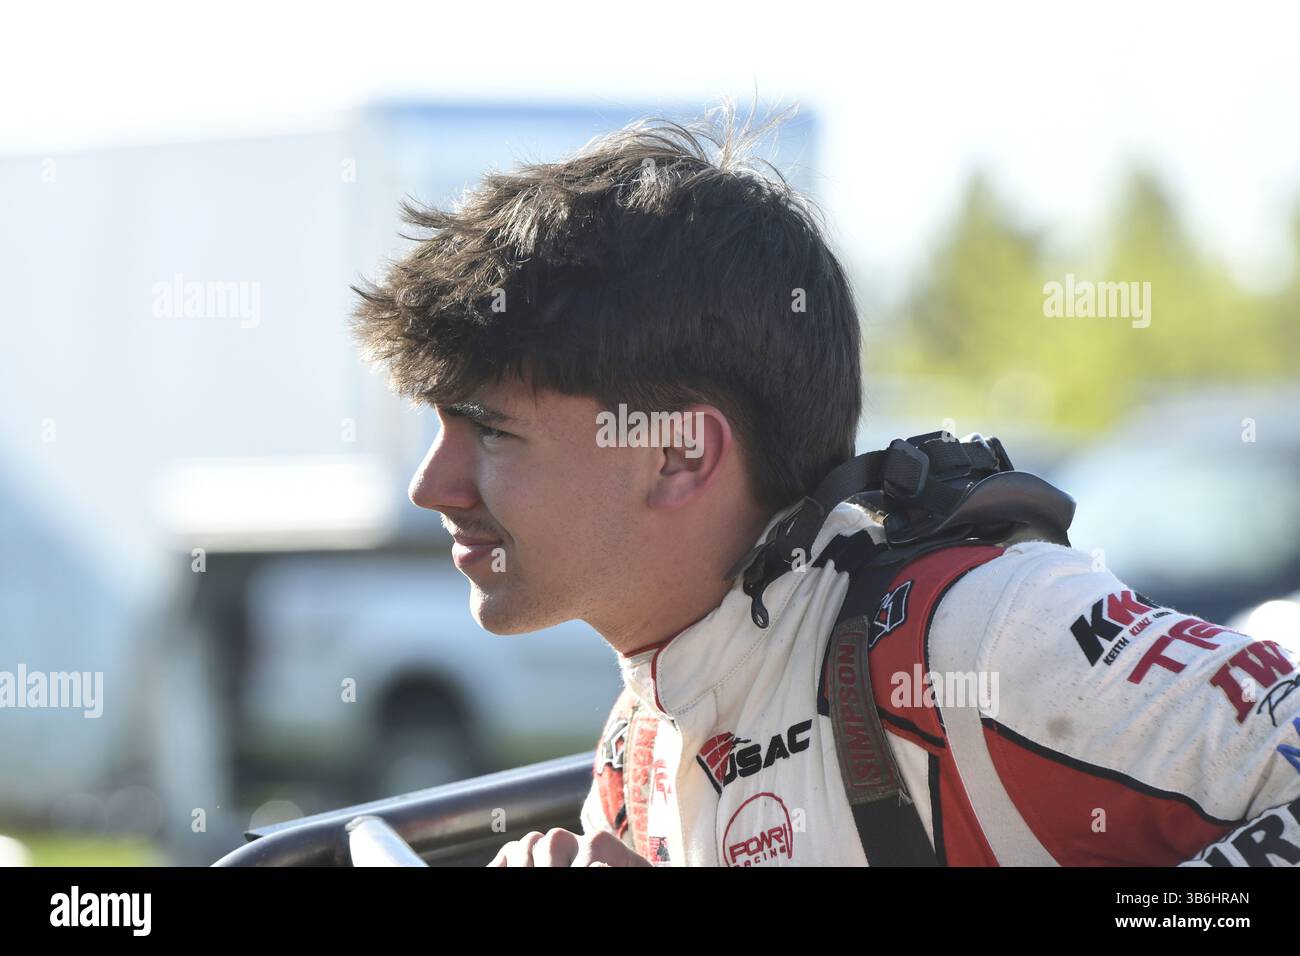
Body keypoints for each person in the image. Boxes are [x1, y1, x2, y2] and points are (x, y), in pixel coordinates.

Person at [351, 105, 1300, 867]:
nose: (432, 486)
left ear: (680, 454)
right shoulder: (635, 752)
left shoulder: (970, 639)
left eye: (489, 430)